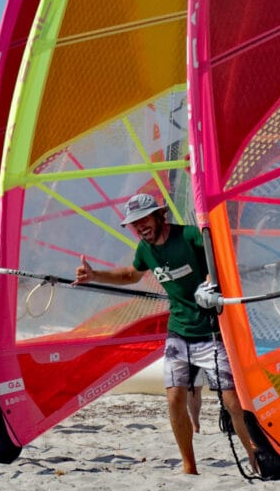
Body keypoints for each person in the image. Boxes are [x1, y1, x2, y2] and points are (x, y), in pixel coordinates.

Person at [74, 191, 252, 475]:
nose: (140, 226)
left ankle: (254, 458)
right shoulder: (145, 250)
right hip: (178, 332)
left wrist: (211, 281)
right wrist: (95, 276)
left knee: (232, 402)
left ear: (159, 215)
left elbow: (220, 262)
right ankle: (189, 466)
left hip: (211, 332)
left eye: (144, 219)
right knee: (174, 398)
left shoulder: (191, 236)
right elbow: (131, 276)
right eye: (135, 223)